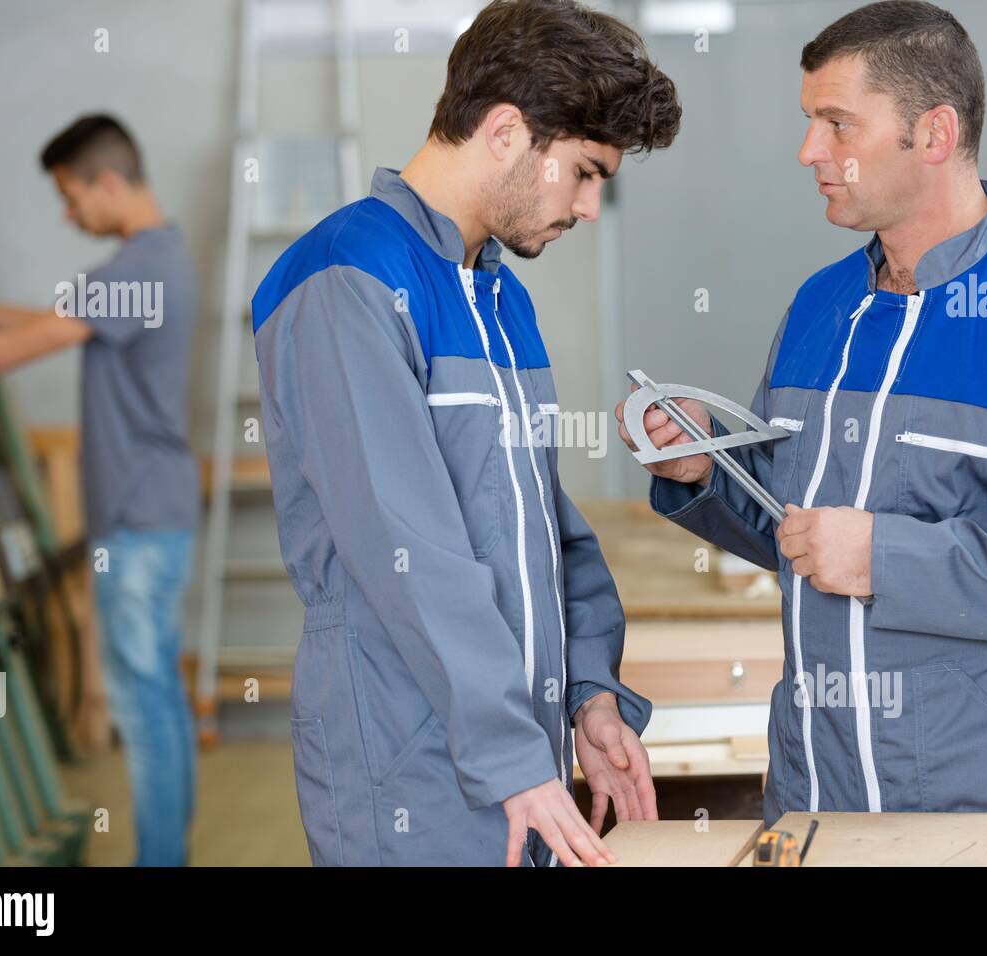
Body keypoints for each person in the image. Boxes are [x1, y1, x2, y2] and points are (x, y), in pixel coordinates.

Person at [618, 0, 987, 866]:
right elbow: (800, 534)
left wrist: (887, 559)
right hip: (816, 802)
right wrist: (703, 472)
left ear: (934, 133)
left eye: (837, 124)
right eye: (810, 124)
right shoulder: (821, 308)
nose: (810, 153)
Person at [252, 0, 681, 866]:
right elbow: (410, 554)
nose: (591, 208)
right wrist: (511, 753)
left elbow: (542, 524)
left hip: (517, 761)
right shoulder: (347, 282)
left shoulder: (498, 295)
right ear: (505, 131)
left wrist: (590, 697)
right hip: (409, 768)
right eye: (585, 172)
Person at [0, 114, 201, 866]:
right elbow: (36, 323)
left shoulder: (139, 267)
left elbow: (4, 356)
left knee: (142, 707)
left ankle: (159, 861)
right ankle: (171, 854)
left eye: (71, 197)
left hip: (137, 521)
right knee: (158, 699)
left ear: (107, 181)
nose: (68, 214)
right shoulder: (158, 259)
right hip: (155, 515)